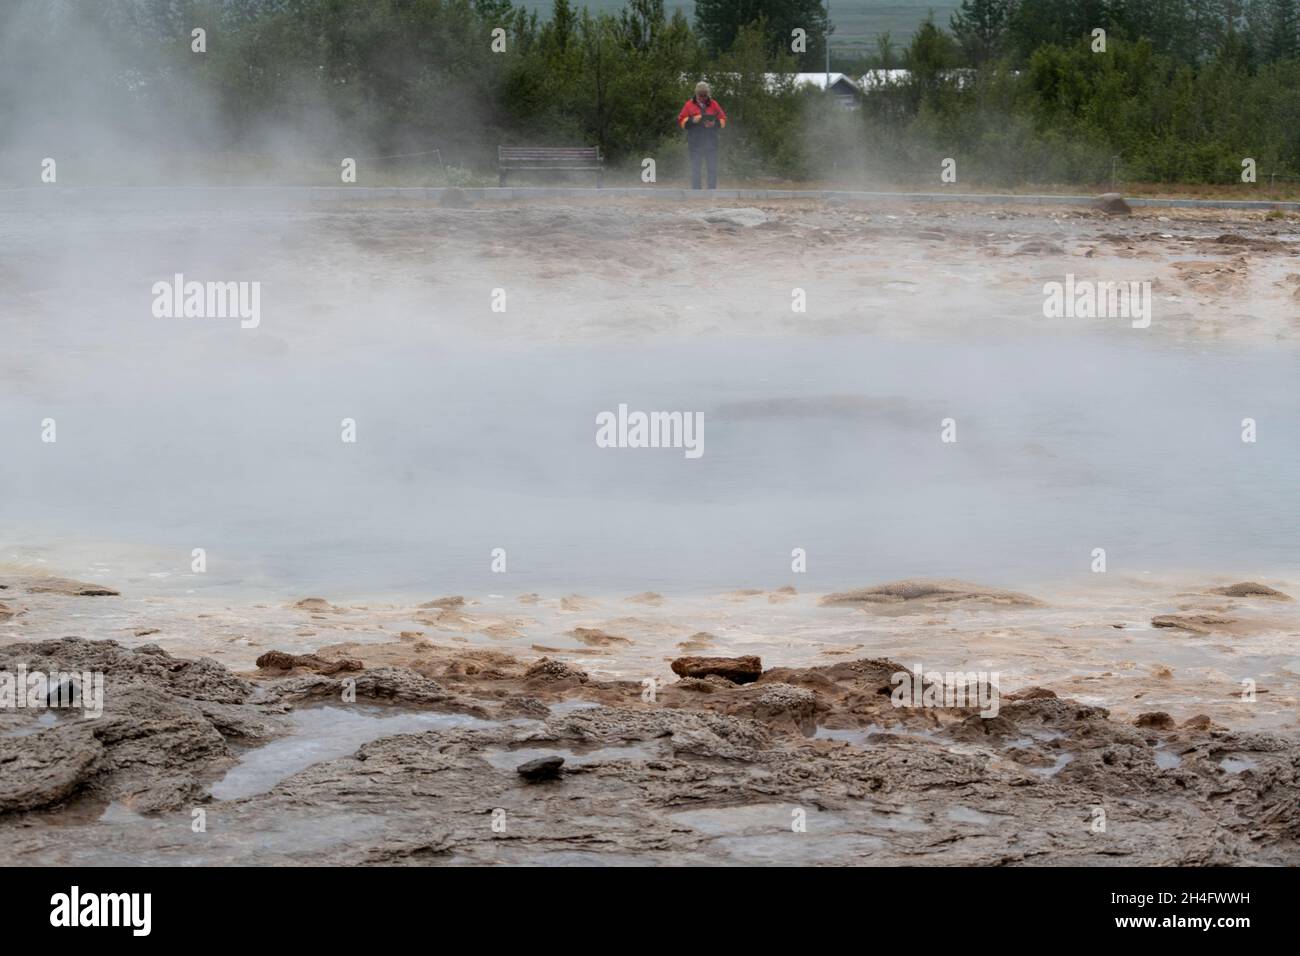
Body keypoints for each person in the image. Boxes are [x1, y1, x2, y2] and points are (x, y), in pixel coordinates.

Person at [677, 81, 727, 190]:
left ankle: (712, 191)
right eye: (701, 95)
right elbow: (681, 121)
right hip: (695, 143)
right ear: (696, 94)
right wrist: (692, 120)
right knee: (696, 168)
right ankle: (696, 191)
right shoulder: (689, 105)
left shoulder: (714, 104)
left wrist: (715, 124)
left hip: (711, 143)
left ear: (708, 94)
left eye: (705, 95)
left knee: (712, 168)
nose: (703, 97)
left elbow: (723, 120)